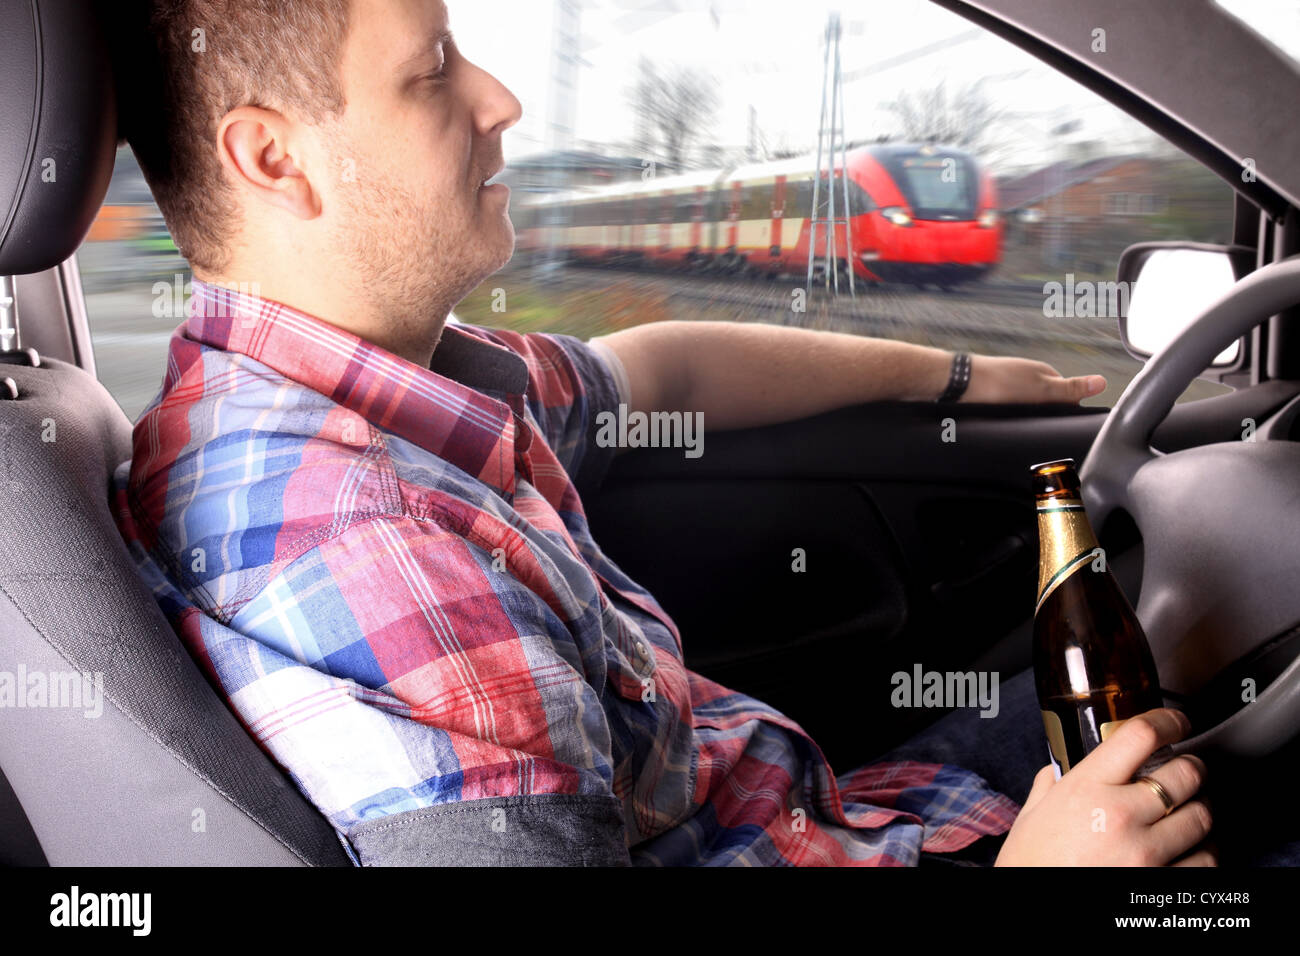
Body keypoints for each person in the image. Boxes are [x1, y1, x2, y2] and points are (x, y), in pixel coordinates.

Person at [110, 0, 1213, 866]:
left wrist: (958, 375)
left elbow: (666, 368)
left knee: (1187, 678)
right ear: (273, 158)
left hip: (838, 815)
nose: (501, 100)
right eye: (433, 68)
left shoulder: (376, 390)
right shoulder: (370, 539)